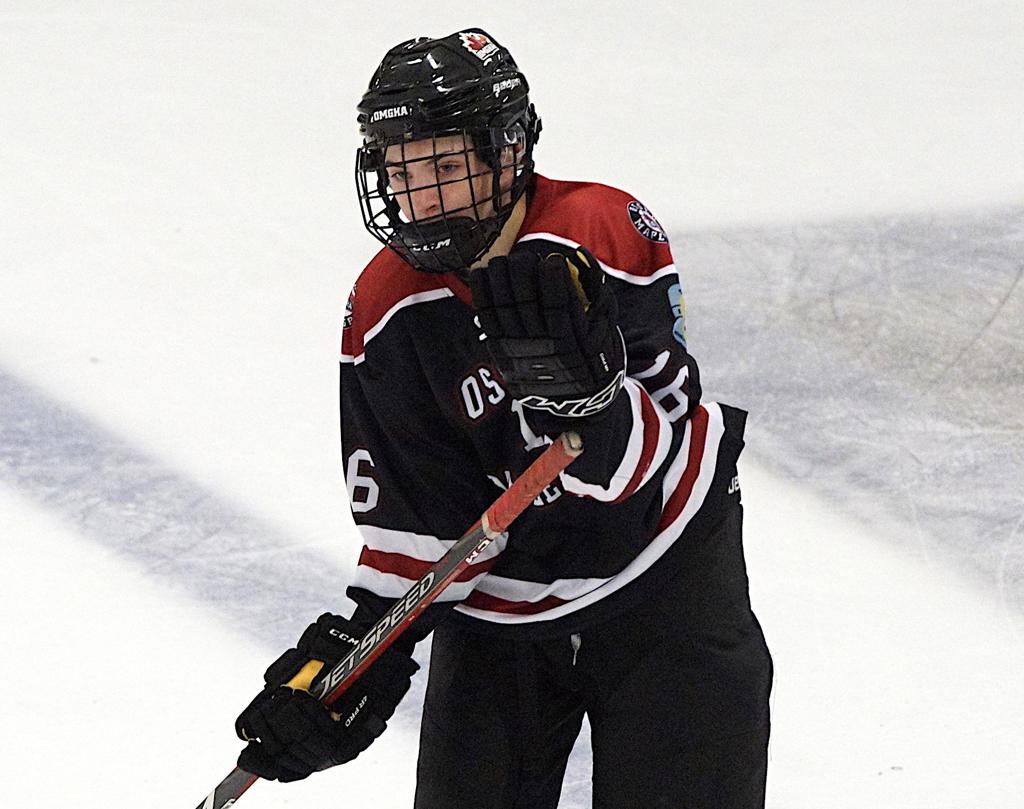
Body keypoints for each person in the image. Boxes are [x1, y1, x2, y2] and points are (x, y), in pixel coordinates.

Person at [234, 27, 773, 809]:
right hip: (504, 617)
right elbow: (420, 525)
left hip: (667, 578)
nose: (423, 198)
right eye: (402, 171)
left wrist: (588, 407)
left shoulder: (603, 229)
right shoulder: (385, 308)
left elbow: (648, 460)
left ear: (507, 151)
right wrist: (355, 663)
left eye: (446, 166)